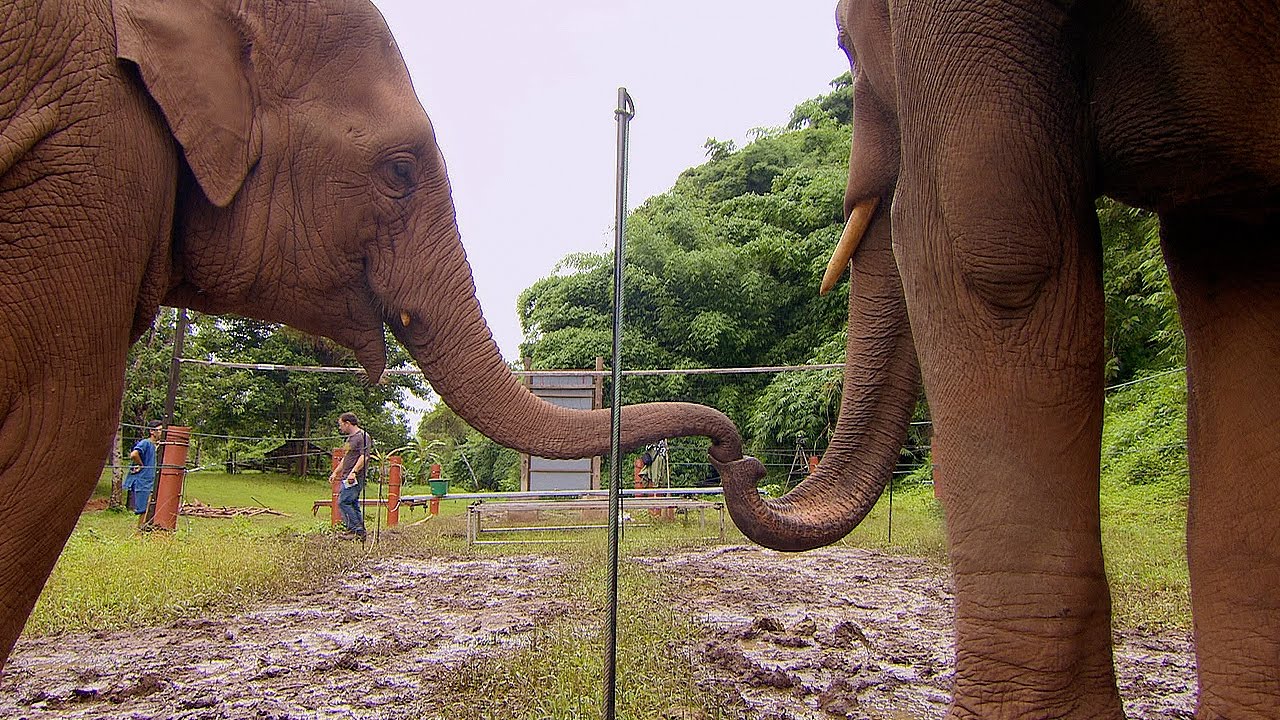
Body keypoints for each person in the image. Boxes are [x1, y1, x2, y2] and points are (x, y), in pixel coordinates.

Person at [329, 412, 371, 539]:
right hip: (347, 476)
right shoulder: (350, 439)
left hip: (355, 477)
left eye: (341, 425)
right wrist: (336, 472)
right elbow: (346, 458)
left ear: (347, 423)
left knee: (344, 501)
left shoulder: (363, 436)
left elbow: (364, 457)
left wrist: (354, 472)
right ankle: (360, 531)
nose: (340, 428)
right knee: (352, 502)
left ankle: (355, 530)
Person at [125, 421, 163, 515]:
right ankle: (141, 529)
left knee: (151, 510)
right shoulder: (146, 443)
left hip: (151, 482)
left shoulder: (159, 445)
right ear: (152, 431)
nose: (162, 432)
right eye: (160, 430)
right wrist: (141, 464)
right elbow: (134, 454)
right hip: (143, 482)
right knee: (143, 511)